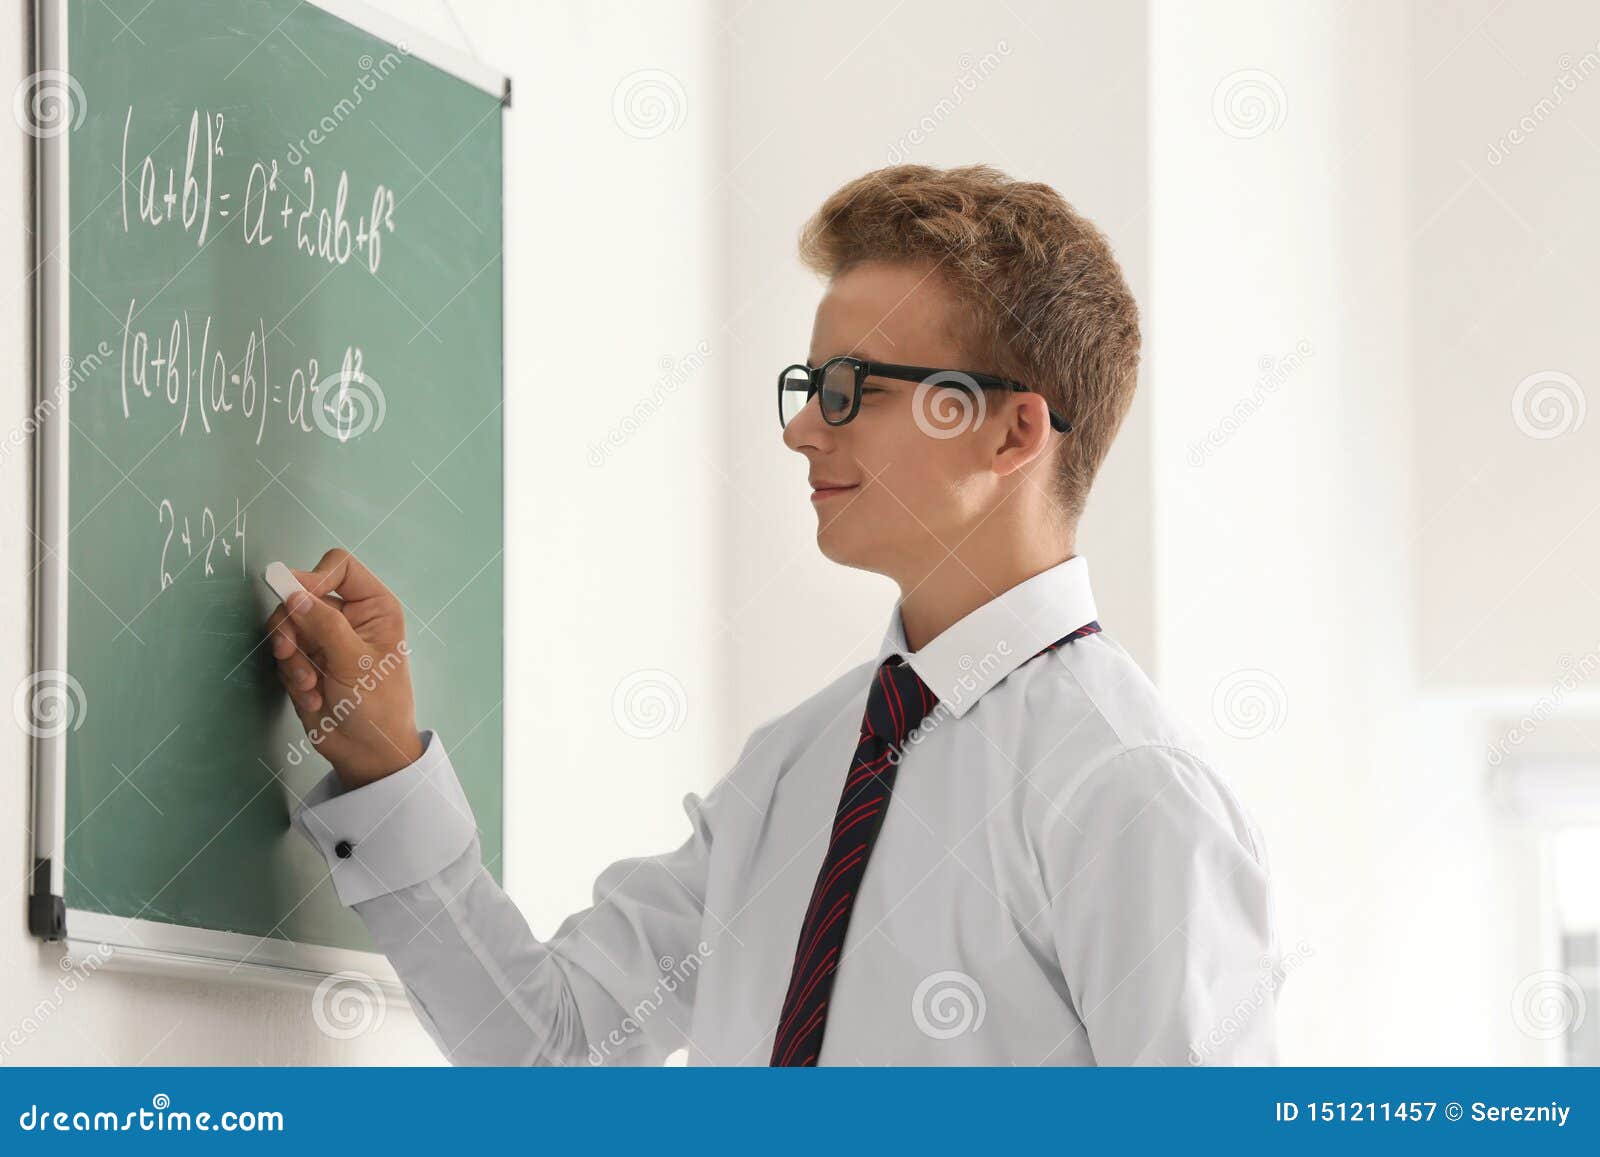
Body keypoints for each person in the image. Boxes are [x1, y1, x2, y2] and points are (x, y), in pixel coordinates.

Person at [266, 164, 1278, 1066]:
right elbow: (555, 1048)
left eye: (850, 389)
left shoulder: (1127, 791)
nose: (800, 429)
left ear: (1012, 431)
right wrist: (386, 763)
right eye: (807, 385)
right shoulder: (797, 768)